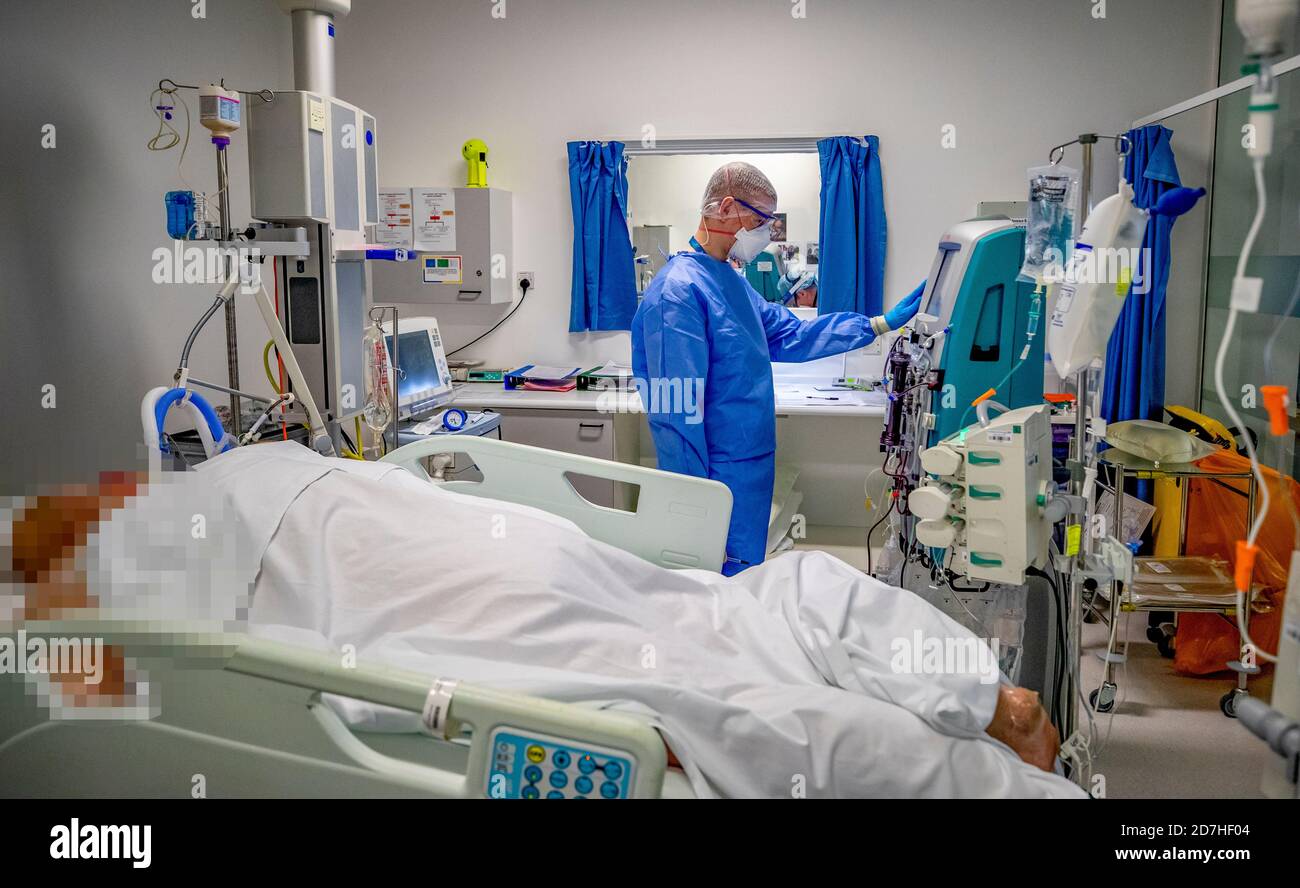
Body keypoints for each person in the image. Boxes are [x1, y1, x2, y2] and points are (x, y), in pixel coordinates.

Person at [632, 162, 923, 575]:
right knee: (711, 588)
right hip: (712, 477)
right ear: (727, 208)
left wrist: (877, 324)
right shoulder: (677, 292)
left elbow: (788, 333)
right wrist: (692, 506)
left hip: (748, 466)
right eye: (760, 221)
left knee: (745, 579)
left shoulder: (729, 281)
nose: (765, 234)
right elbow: (675, 413)